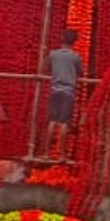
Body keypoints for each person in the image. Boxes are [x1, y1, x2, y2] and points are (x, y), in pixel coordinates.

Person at [44, 28, 84, 157]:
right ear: (74, 41)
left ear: (62, 39)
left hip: (55, 90)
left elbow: (46, 68)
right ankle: (61, 154)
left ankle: (46, 153)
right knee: (64, 123)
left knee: (52, 121)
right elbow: (81, 72)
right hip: (68, 92)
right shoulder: (75, 56)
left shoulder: (53, 54)